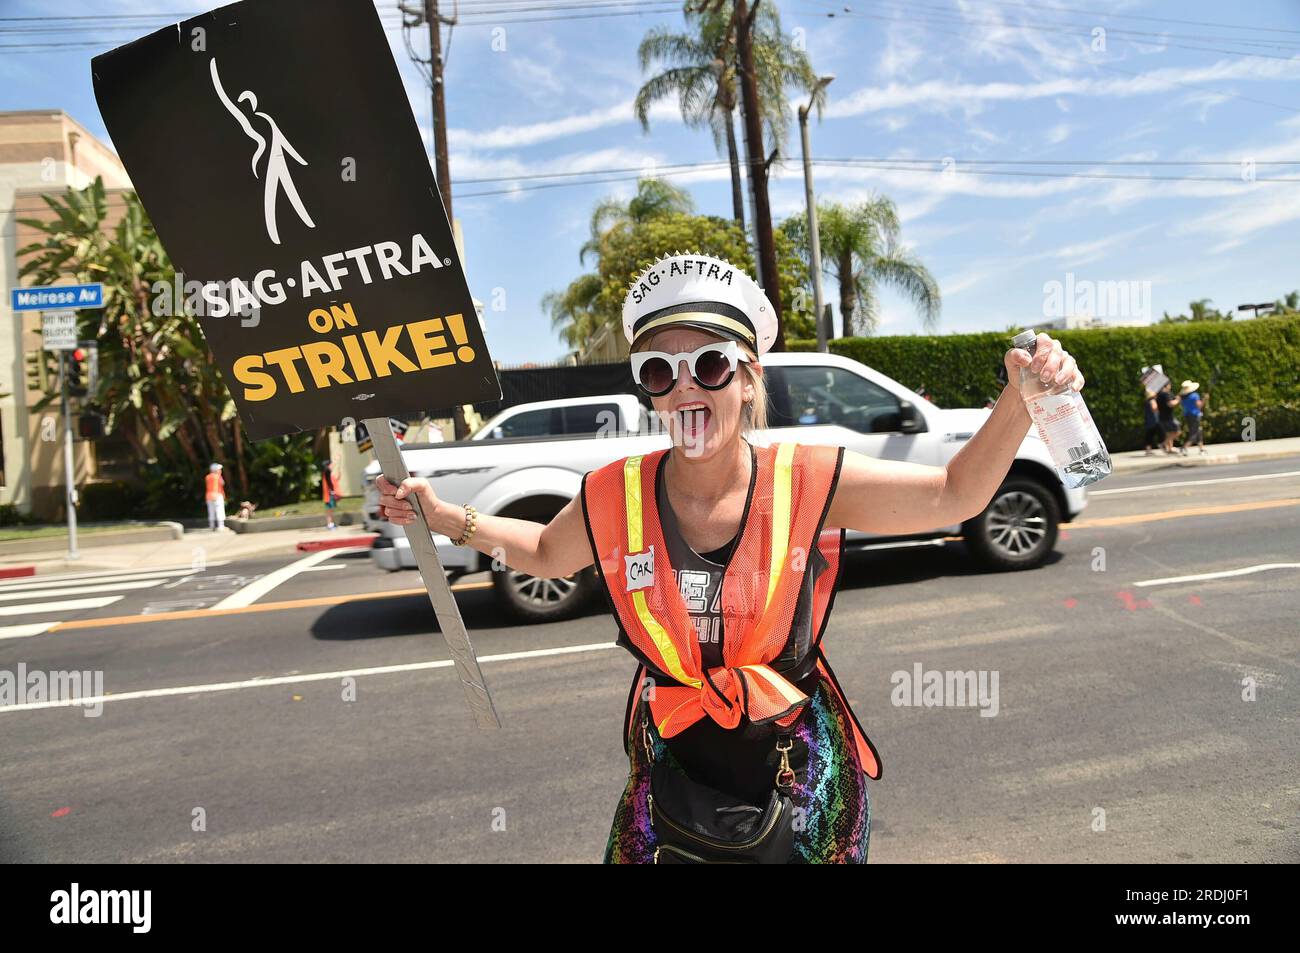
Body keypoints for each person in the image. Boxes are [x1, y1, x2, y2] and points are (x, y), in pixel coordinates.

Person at [375, 253, 1085, 864]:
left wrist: (1019, 401)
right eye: (660, 371)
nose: (686, 388)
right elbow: (544, 552)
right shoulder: (613, 494)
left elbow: (953, 493)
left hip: (797, 762)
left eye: (709, 365)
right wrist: (446, 518)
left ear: (748, 379)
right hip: (676, 756)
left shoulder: (809, 476)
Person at [1178, 379, 1205, 455]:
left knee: (1198, 431)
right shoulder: (1195, 395)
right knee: (1194, 433)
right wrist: (1204, 400)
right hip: (1195, 415)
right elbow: (1199, 405)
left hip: (1187, 415)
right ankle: (1184, 448)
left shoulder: (1183, 397)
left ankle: (1201, 449)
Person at [1156, 380, 1180, 454]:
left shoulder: (1159, 394)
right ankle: (1163, 444)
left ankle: (1170, 448)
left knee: (1169, 433)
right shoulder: (1165, 394)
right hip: (1168, 417)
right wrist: (1178, 400)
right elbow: (1170, 404)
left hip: (1161, 416)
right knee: (1177, 431)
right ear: (1167, 385)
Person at [205, 463, 226, 532]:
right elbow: (222, 483)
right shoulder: (218, 476)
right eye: (219, 469)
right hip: (217, 495)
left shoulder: (207, 477)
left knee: (211, 511)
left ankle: (212, 526)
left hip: (209, 496)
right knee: (220, 510)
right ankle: (221, 526)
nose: (220, 470)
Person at [320, 460, 341, 530]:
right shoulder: (326, 473)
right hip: (328, 496)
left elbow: (335, 480)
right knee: (329, 510)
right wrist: (336, 461)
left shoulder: (329, 474)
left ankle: (331, 523)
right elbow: (329, 468)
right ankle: (329, 524)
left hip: (330, 495)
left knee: (331, 510)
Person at [1142, 388, 1162, 455]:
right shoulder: (1152, 400)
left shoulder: (1146, 401)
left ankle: (1148, 450)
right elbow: (1154, 408)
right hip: (1153, 420)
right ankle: (1163, 445)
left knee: (1149, 435)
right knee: (1156, 434)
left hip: (1148, 420)